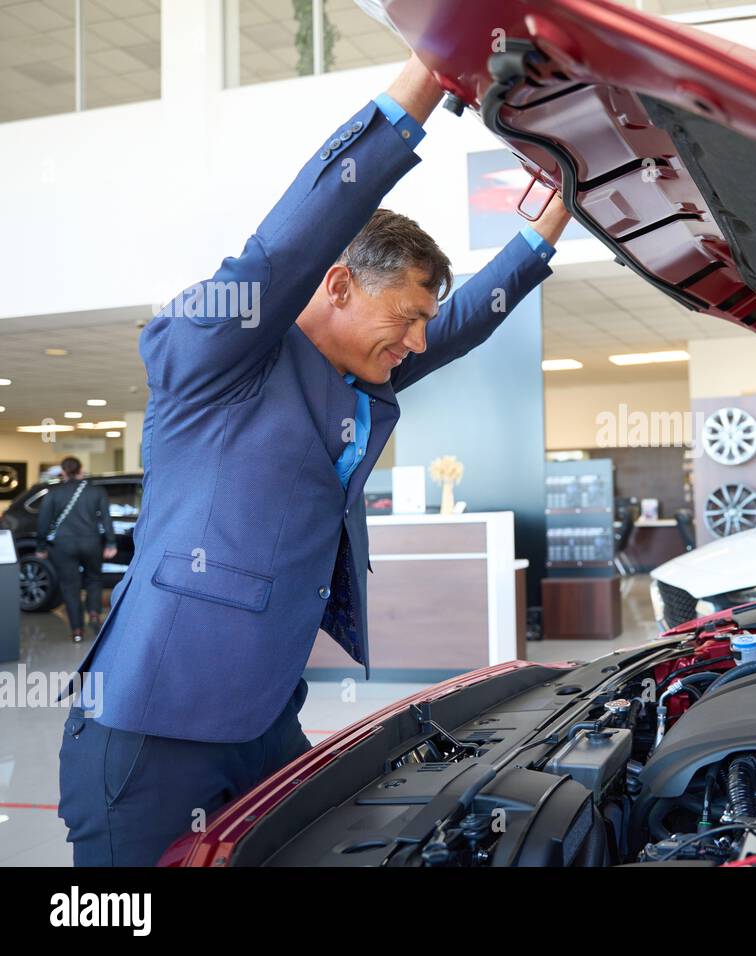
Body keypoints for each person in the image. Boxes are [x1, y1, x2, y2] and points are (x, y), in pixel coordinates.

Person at [56, 52, 571, 866]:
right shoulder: (220, 354)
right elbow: (291, 241)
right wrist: (431, 78)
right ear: (336, 285)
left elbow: (467, 319)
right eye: (403, 317)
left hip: (261, 722)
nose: (414, 342)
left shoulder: (353, 375)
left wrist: (557, 215)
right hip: (150, 730)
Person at [35, 456, 117, 642]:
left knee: (70, 586)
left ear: (63, 472)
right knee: (94, 580)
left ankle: (77, 630)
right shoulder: (97, 492)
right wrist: (111, 543)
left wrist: (41, 546)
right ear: (81, 470)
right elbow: (106, 519)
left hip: (64, 545)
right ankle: (94, 614)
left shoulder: (53, 493)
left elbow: (43, 522)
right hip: (91, 543)